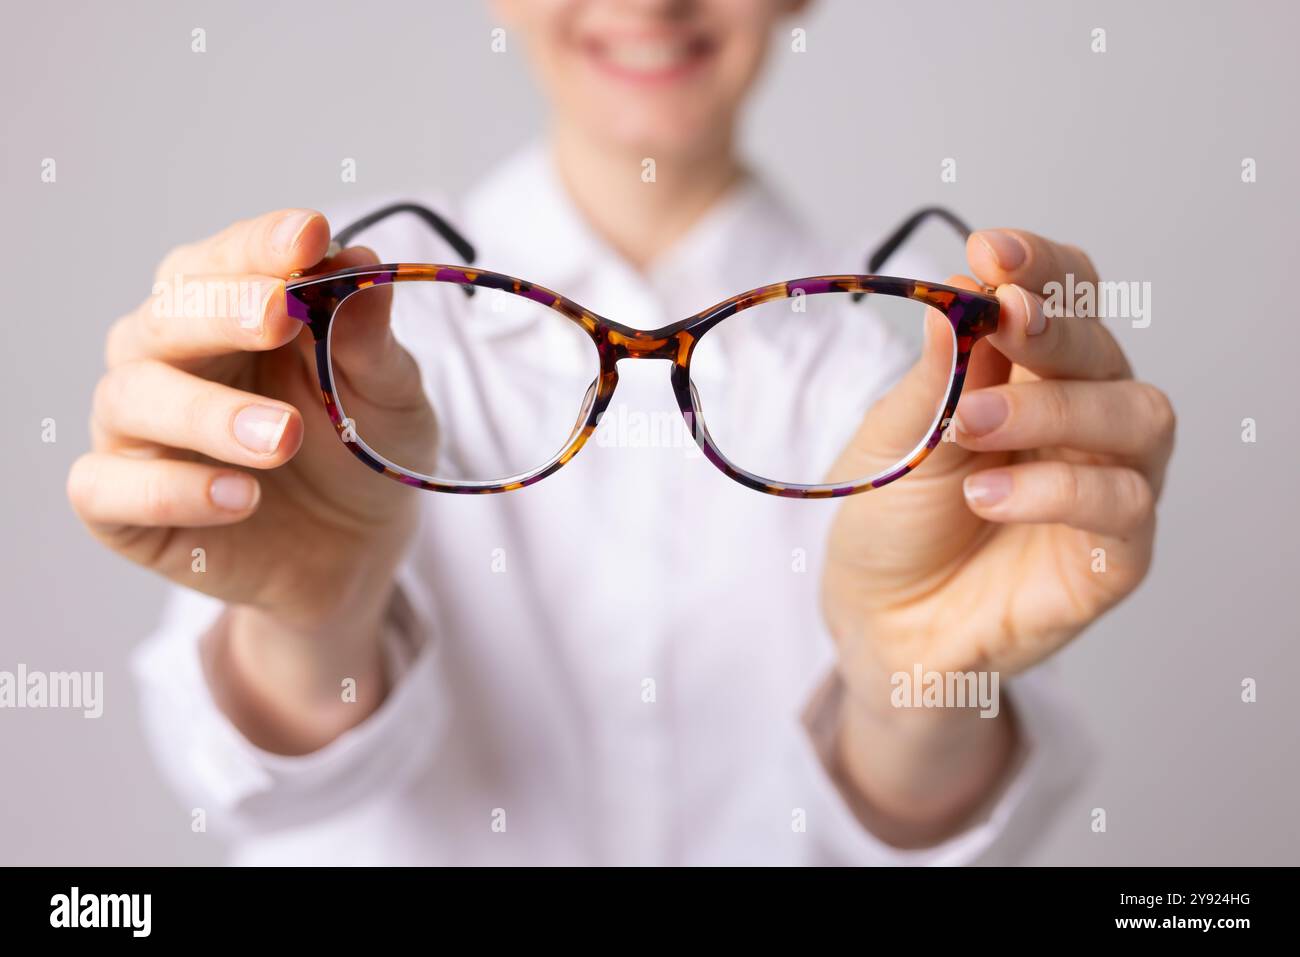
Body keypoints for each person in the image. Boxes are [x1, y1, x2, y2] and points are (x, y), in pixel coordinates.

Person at [68, 0, 1174, 865]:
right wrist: (318, 617)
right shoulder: (337, 346)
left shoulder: (929, 391)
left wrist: (907, 694)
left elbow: (915, 843)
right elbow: (258, 782)